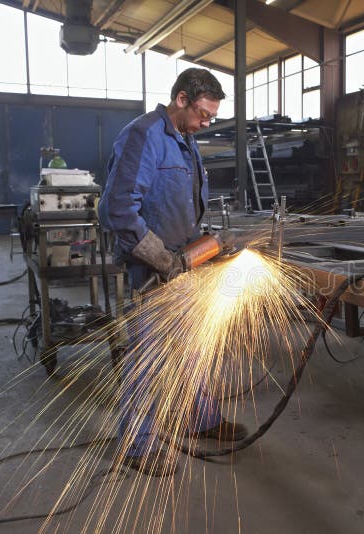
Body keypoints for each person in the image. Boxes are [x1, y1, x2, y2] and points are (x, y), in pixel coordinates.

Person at [99, 68, 247, 476]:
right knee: (148, 359)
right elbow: (117, 211)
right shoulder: (144, 135)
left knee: (193, 348)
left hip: (185, 267)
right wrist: (163, 260)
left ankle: (199, 418)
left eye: (212, 117)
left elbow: (182, 206)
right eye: (203, 113)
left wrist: (204, 247)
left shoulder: (186, 141)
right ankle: (137, 442)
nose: (206, 123)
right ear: (181, 99)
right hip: (152, 271)